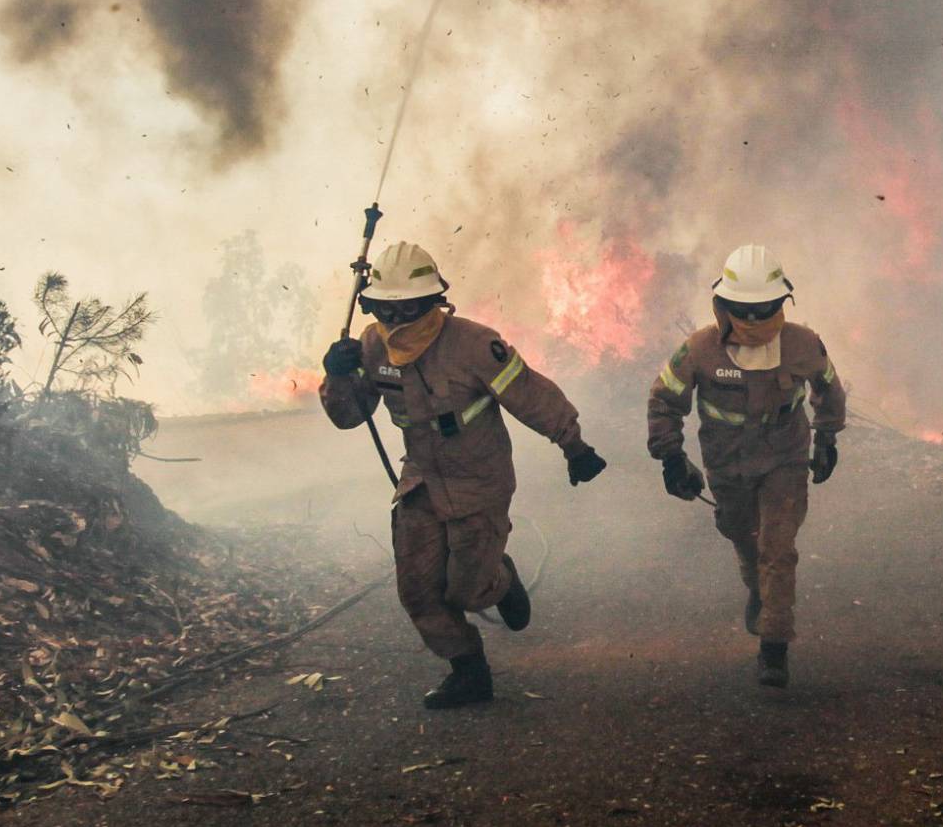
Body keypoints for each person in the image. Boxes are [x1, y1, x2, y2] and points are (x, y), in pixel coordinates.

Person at [319, 241, 606, 708]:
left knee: (469, 589)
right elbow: (350, 416)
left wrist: (574, 446)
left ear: (433, 302)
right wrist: (336, 376)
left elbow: (530, 394)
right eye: (385, 309)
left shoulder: (474, 344)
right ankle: (469, 671)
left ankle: (502, 581)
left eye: (407, 308)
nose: (395, 321)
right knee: (417, 589)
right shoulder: (370, 348)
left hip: (479, 480)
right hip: (421, 481)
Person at [647, 244, 846, 687]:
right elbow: (664, 401)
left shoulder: (803, 344)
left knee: (778, 548)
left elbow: (829, 389)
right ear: (724, 305)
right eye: (744, 311)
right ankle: (758, 590)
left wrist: (827, 438)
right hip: (728, 464)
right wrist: (671, 458)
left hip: (784, 459)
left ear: (782, 303)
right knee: (742, 534)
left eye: (764, 310)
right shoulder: (699, 350)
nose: (754, 322)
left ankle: (774, 648)